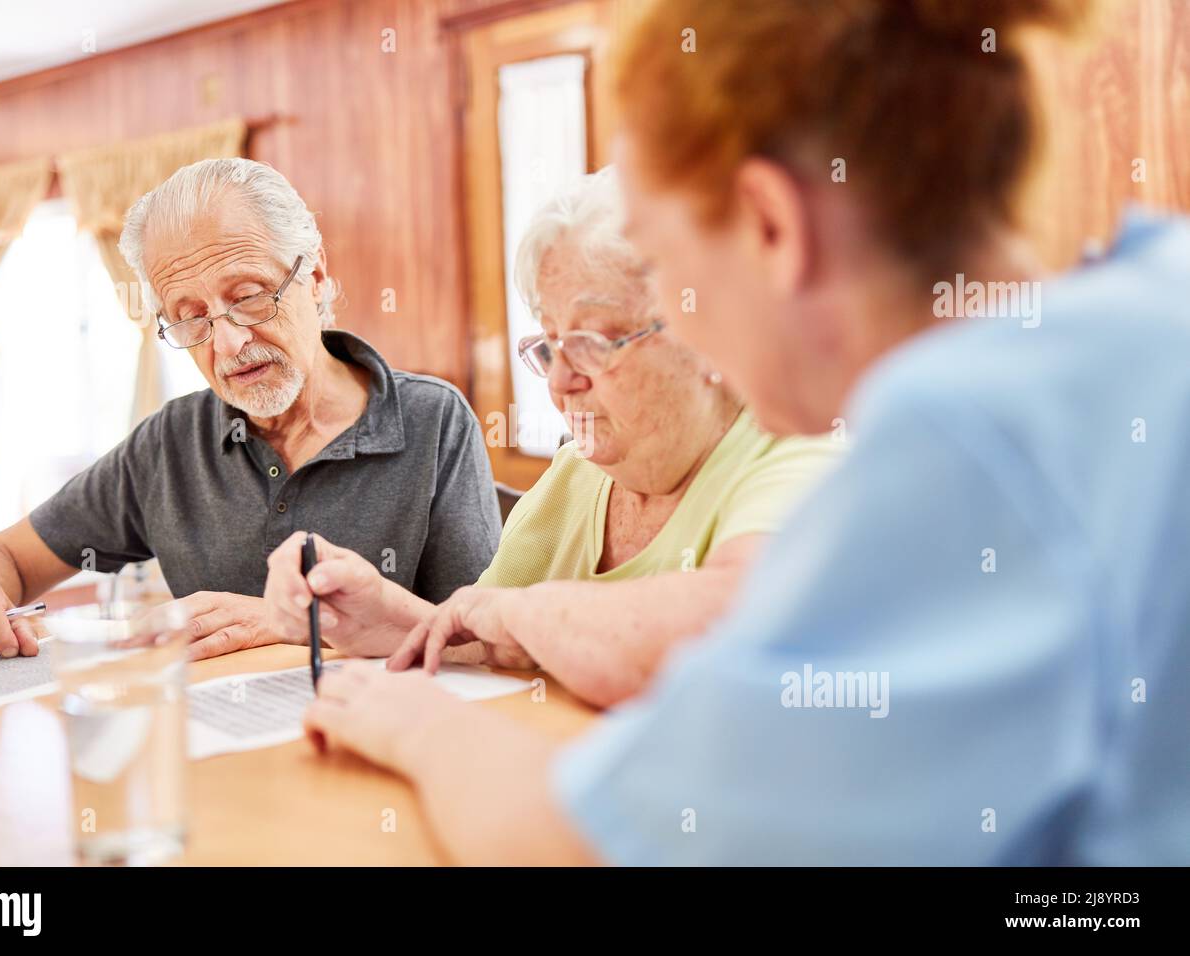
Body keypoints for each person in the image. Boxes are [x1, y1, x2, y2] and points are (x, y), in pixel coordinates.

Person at [298, 0, 1190, 865]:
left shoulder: (955, 438)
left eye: (673, 265)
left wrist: (414, 725)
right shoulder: (1154, 306)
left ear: (770, 226)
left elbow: (583, 844)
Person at [263, 169, 839, 707]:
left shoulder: (798, 451)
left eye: (591, 342)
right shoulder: (576, 475)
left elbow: (743, 624)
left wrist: (520, 615)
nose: (562, 382)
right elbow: (493, 636)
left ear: (709, 331)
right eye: (550, 344)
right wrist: (384, 617)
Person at [0, 159, 499, 664]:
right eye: (190, 316)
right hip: (218, 763)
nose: (227, 346)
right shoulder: (170, 443)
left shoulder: (434, 421)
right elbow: (1, 556)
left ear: (314, 276)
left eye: (247, 298)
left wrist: (305, 626)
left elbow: (486, 644)